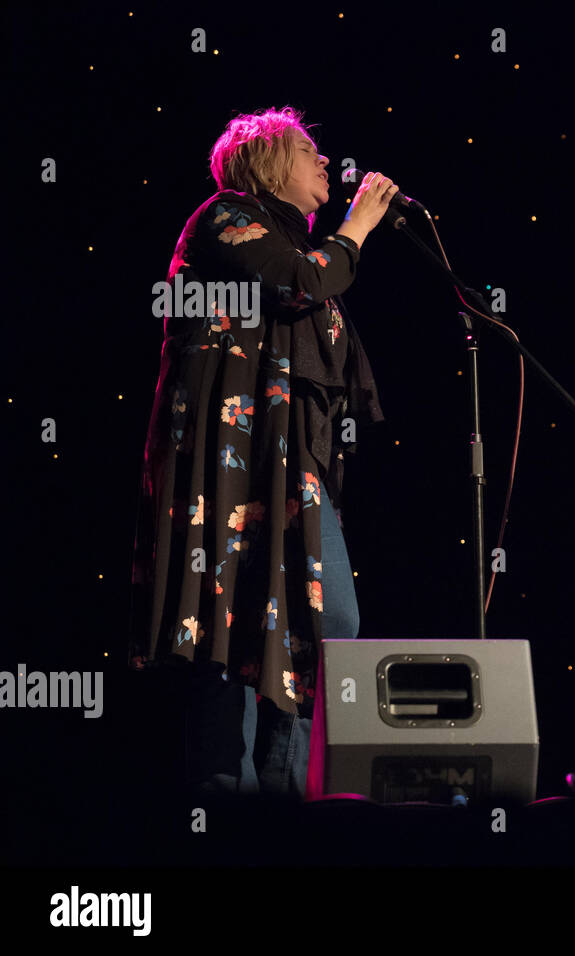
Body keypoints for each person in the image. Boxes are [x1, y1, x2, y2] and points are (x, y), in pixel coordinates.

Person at [128, 106, 399, 798]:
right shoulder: (225, 219)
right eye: (309, 151)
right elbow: (296, 282)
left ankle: (282, 800)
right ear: (270, 162)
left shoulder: (301, 252)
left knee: (317, 622)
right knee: (227, 633)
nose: (323, 165)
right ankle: (227, 806)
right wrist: (355, 231)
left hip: (292, 472)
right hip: (227, 468)